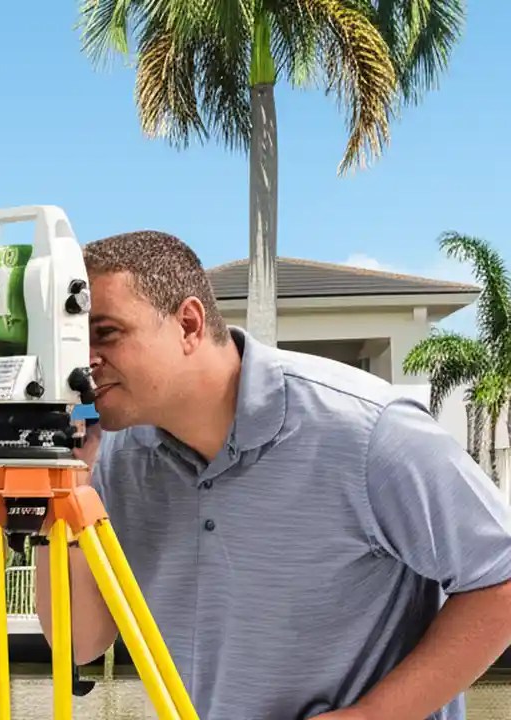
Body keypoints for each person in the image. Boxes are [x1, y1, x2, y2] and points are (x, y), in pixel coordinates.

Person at [31, 230, 511, 720]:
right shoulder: (111, 459)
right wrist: (61, 491)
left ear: (189, 324)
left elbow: (501, 578)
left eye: (105, 333)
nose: (84, 360)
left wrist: (374, 714)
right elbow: (80, 643)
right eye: (72, 339)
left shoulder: (366, 430)